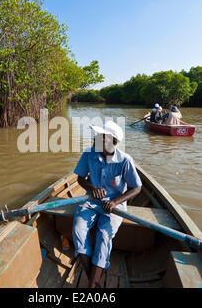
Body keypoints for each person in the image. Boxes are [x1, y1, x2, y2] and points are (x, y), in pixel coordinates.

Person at [72, 121, 142, 288]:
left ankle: (91, 283)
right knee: (78, 228)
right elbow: (80, 178)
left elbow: (137, 187)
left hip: (114, 206)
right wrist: (92, 188)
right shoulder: (89, 154)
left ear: (113, 142)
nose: (94, 139)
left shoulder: (125, 160)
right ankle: (93, 281)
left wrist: (115, 201)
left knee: (104, 235)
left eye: (100, 137)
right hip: (91, 202)